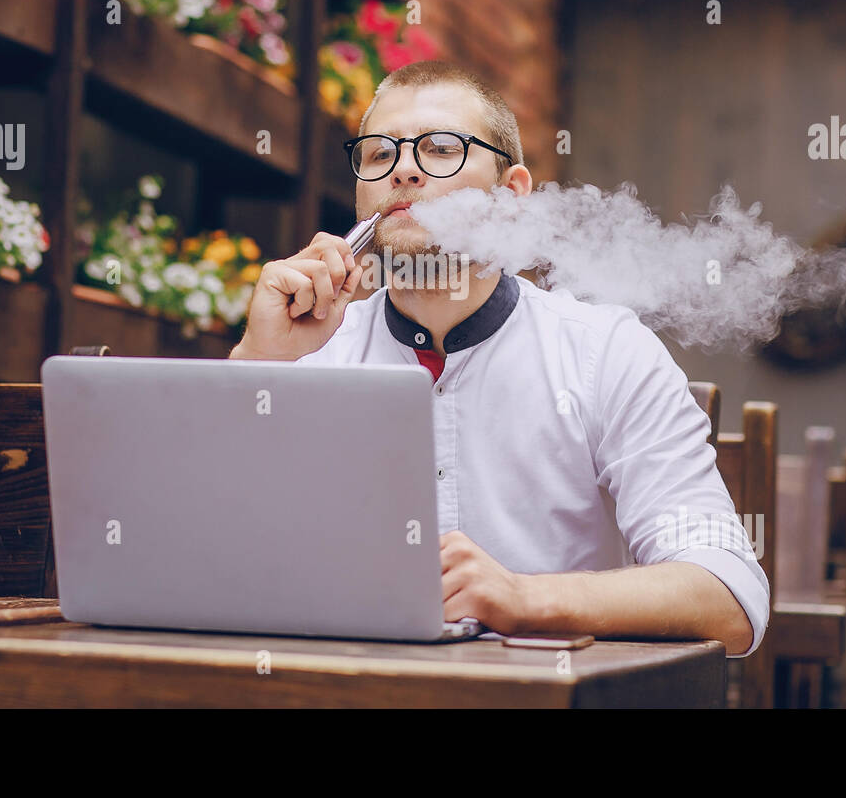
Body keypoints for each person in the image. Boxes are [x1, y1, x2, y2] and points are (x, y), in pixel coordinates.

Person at [230, 60, 769, 656]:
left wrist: (524, 598)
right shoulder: (306, 351)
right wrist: (262, 362)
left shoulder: (606, 352)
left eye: (440, 149)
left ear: (510, 196)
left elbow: (730, 595)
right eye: (379, 154)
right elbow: (204, 550)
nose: (402, 169)